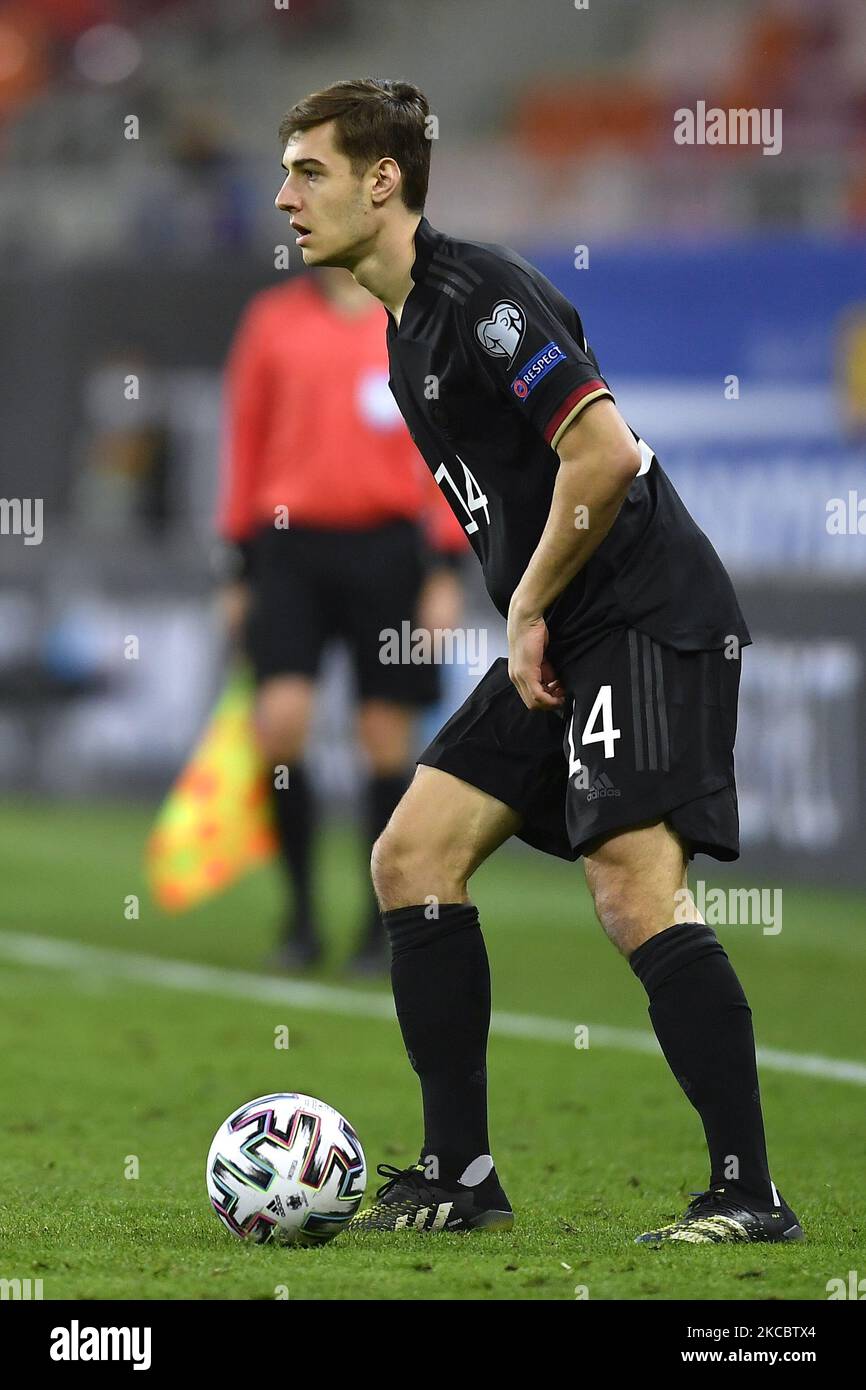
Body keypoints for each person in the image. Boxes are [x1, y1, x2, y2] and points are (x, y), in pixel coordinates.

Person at [272, 77, 803, 1245]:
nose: (285, 198)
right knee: (412, 852)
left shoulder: (479, 297)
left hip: (643, 612)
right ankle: (459, 1173)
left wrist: (522, 611)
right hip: (564, 628)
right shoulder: (403, 330)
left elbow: (602, 455)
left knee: (628, 887)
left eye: (308, 171)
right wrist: (532, 615)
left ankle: (746, 1192)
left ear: (382, 180)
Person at [218, 264, 467, 974]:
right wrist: (237, 565)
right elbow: (246, 443)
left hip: (388, 552)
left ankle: (377, 923)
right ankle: (300, 916)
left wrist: (446, 569)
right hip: (289, 549)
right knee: (281, 720)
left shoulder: (414, 322)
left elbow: (444, 449)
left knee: (385, 737)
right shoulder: (272, 320)